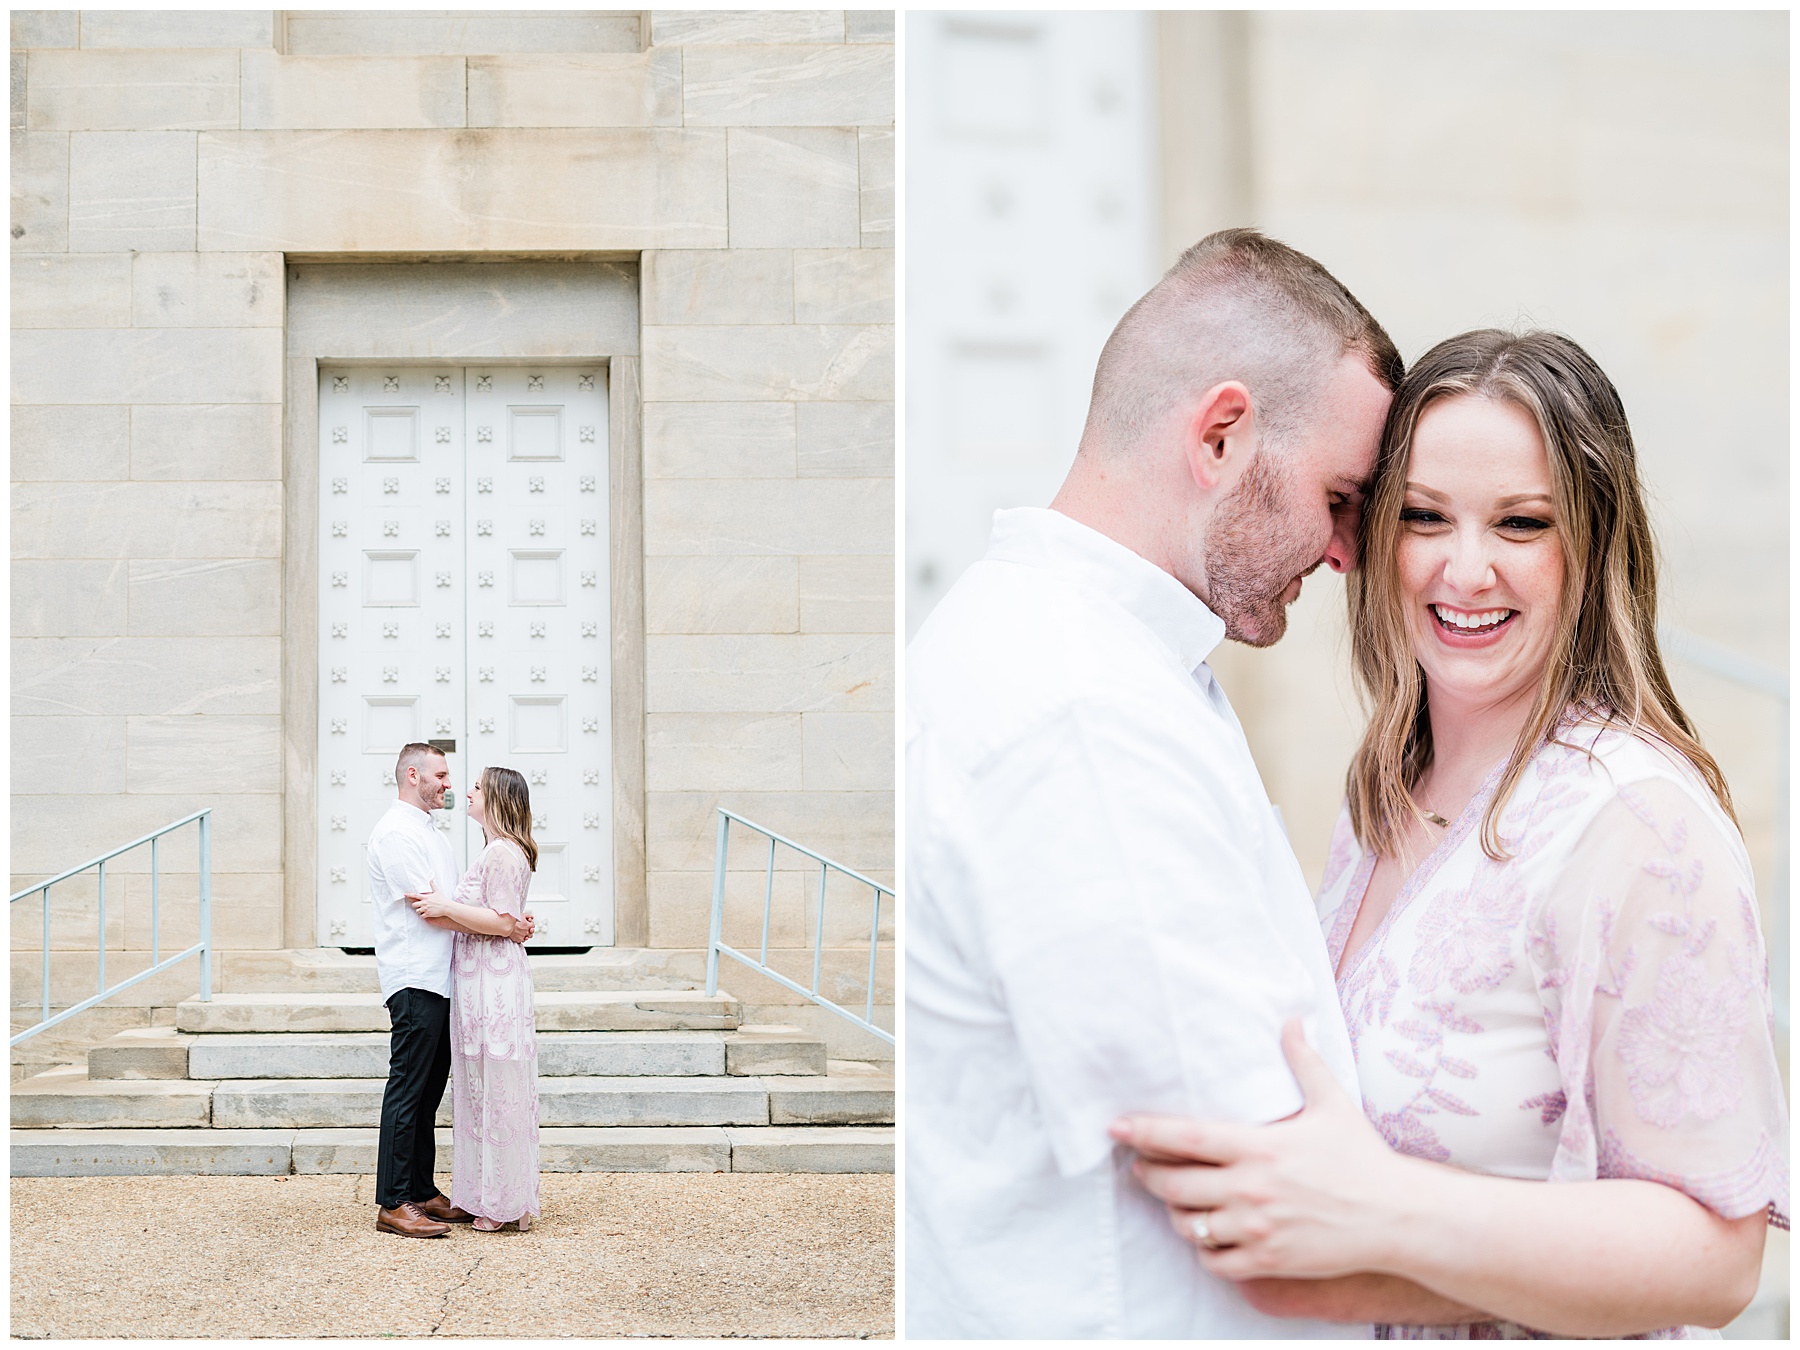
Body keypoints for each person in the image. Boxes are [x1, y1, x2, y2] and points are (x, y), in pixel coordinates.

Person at [1118, 330, 1788, 1337]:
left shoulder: (1643, 828)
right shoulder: (1383, 790)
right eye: (1425, 517)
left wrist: (1379, 1213)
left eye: (1521, 524)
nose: (1462, 570)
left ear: (1593, 543)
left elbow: (1716, 1256)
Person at [906, 228, 1402, 1336]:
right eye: (1339, 497)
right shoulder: (1080, 713)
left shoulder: (1094, 664)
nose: (1349, 554)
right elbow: (1279, 1204)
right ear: (1223, 435)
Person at [366, 742, 533, 1239]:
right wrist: (505, 927)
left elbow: (462, 902)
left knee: (428, 1092)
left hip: (445, 978)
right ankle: (394, 1201)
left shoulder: (430, 833)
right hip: (416, 974)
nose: (449, 784)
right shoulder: (396, 833)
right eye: (440, 774)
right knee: (408, 1087)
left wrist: (508, 923)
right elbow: (433, 908)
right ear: (412, 775)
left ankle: (420, 1189)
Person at [408, 766, 541, 1233]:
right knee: (482, 1089)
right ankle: (487, 1193)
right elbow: (505, 919)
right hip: (479, 976)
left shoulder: (503, 852)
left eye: (478, 787)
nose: (467, 792)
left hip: (492, 981)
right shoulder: (497, 851)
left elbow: (503, 922)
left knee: (495, 1088)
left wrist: (445, 908)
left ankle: (502, 1201)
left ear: (498, 798)